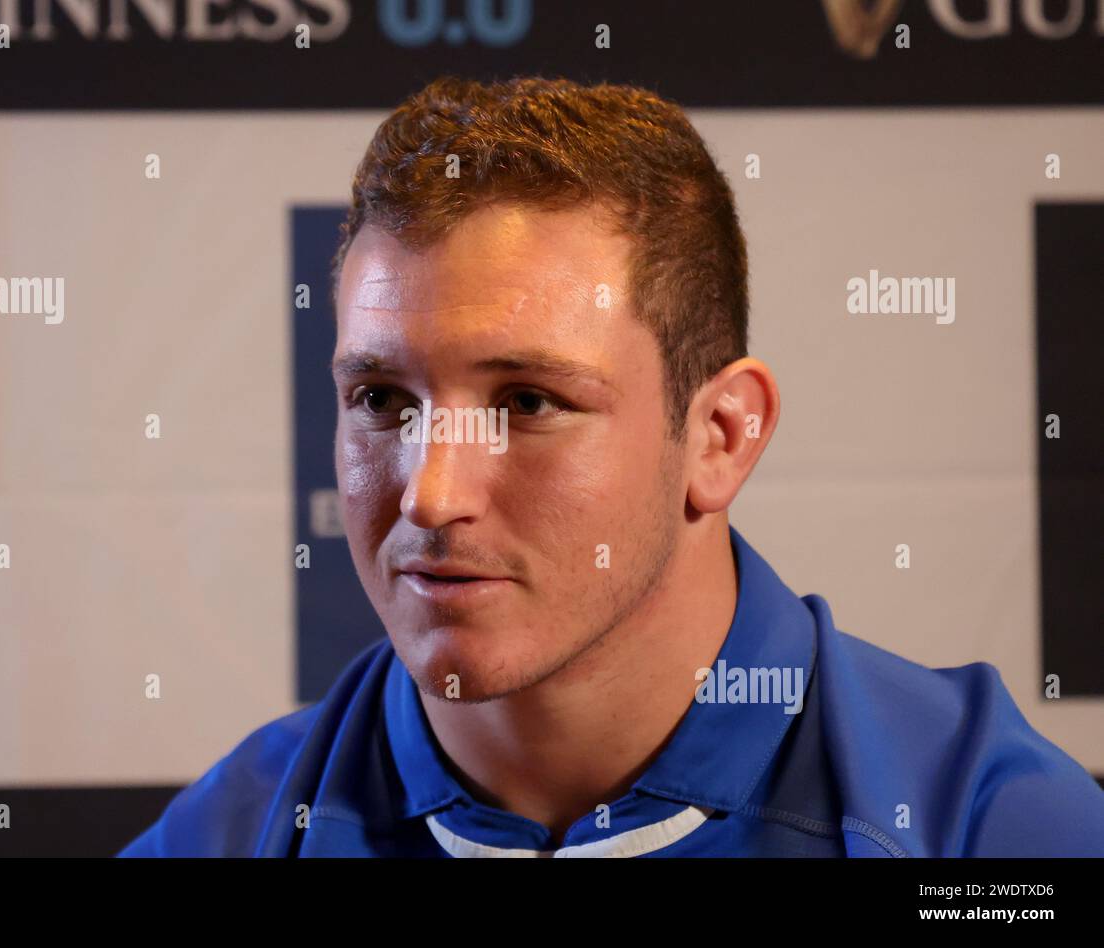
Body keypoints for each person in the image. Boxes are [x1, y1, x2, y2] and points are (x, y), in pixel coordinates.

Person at [121, 76, 1104, 857]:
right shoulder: (226, 835)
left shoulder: (988, 836)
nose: (430, 493)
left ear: (719, 436)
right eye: (382, 401)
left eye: (527, 403)